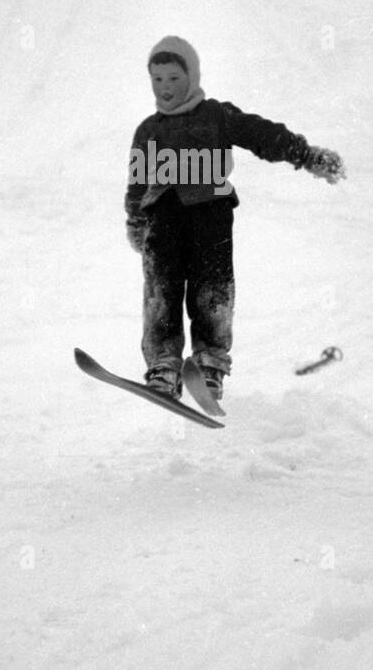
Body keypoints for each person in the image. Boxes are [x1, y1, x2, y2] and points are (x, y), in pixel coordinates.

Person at [124, 36, 344, 402]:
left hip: (210, 216)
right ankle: (163, 365)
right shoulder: (149, 130)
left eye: (174, 79)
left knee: (212, 290)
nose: (165, 88)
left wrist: (306, 154)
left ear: (191, 77)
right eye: (158, 79)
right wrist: (135, 221)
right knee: (160, 291)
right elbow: (136, 182)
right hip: (162, 219)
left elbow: (263, 135)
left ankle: (210, 364)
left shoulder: (215, 116)